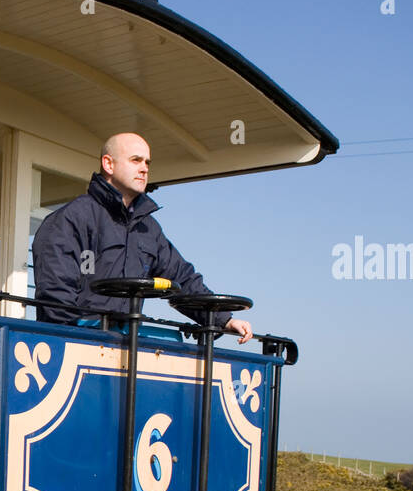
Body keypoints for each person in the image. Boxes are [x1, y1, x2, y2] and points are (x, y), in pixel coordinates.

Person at [31, 133, 253, 343]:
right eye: (136, 160)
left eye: (147, 162)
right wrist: (78, 342)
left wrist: (224, 319)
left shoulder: (148, 228)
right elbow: (56, 296)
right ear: (109, 164)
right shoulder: (71, 219)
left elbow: (182, 277)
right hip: (78, 346)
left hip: (126, 346)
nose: (144, 169)